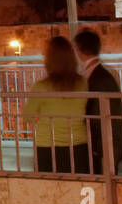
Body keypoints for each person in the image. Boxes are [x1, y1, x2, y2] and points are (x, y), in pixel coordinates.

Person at [25, 36, 90, 174]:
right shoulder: (83, 83)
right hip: (78, 143)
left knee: (49, 189)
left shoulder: (41, 86)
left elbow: (27, 116)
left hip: (47, 144)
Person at [74, 29, 122, 175]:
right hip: (104, 144)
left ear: (79, 49)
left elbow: (100, 114)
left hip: (104, 146)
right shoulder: (103, 73)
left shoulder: (100, 77)